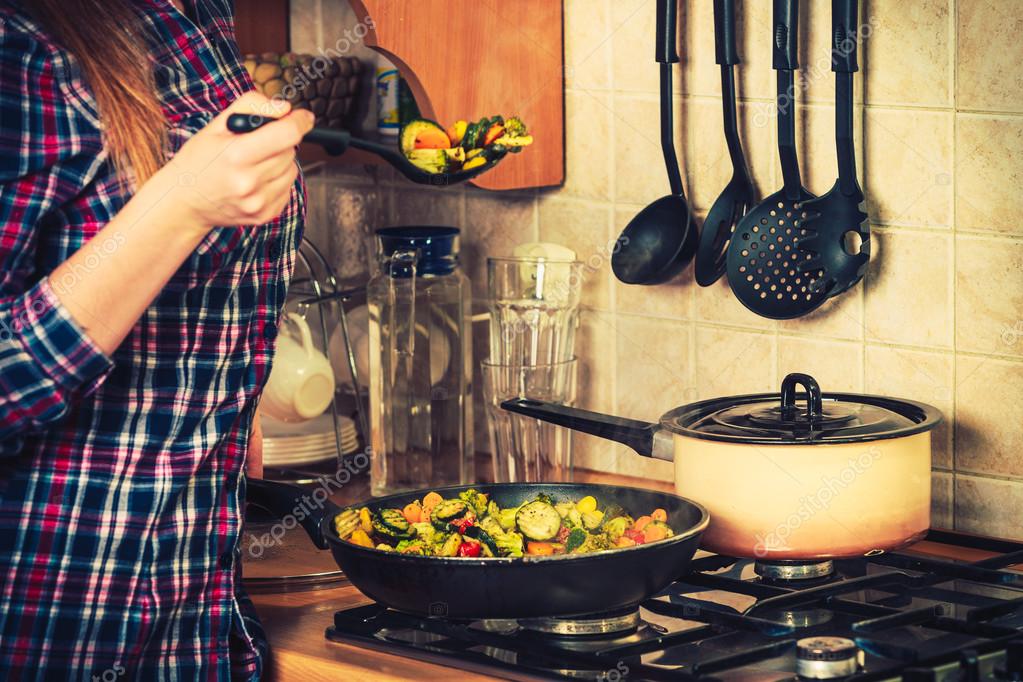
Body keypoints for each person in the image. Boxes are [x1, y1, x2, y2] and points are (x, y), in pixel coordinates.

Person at [0, 0, 314, 678]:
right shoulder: (17, 42)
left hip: (192, 618)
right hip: (52, 623)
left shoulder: (199, 13)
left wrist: (226, 394)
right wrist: (180, 203)